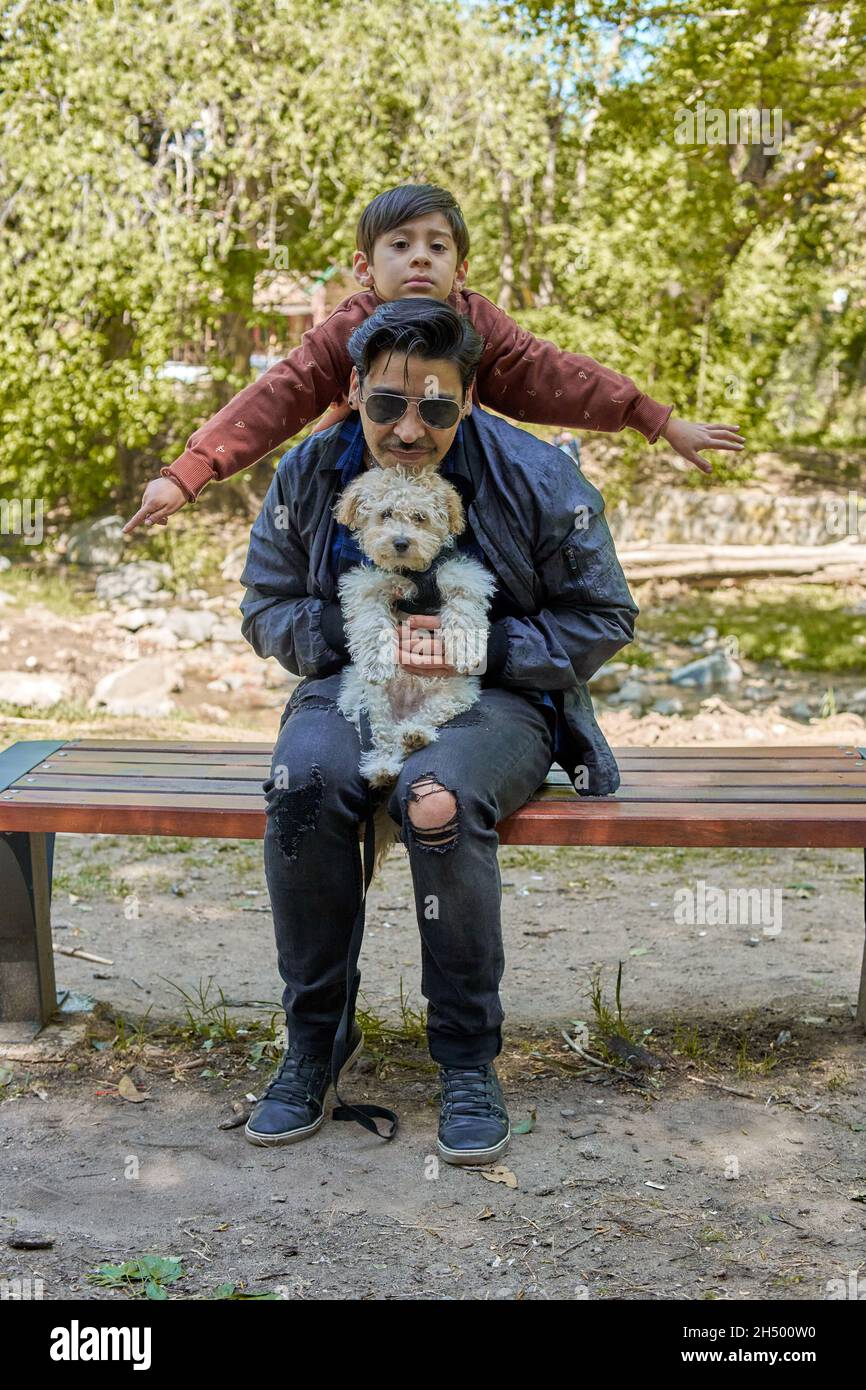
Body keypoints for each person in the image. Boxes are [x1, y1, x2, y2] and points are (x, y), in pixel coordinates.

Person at [237, 297, 639, 1166]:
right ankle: (312, 1044)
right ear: (353, 392)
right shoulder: (311, 474)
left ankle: (465, 1057)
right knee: (302, 786)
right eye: (387, 405)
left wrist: (485, 643)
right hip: (351, 683)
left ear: (469, 399)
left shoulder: (538, 474)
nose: (409, 428)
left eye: (435, 407)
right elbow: (264, 608)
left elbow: (605, 616)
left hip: (500, 698)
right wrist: (348, 634)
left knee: (435, 799)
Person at [124, 182, 745, 535]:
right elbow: (278, 393)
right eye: (401, 245)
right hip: (359, 476)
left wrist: (655, 420)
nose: (419, 258)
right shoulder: (348, 325)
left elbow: (552, 374)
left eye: (436, 246)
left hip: (458, 473)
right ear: (366, 267)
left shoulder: (478, 321)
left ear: (460, 268)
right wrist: (188, 473)